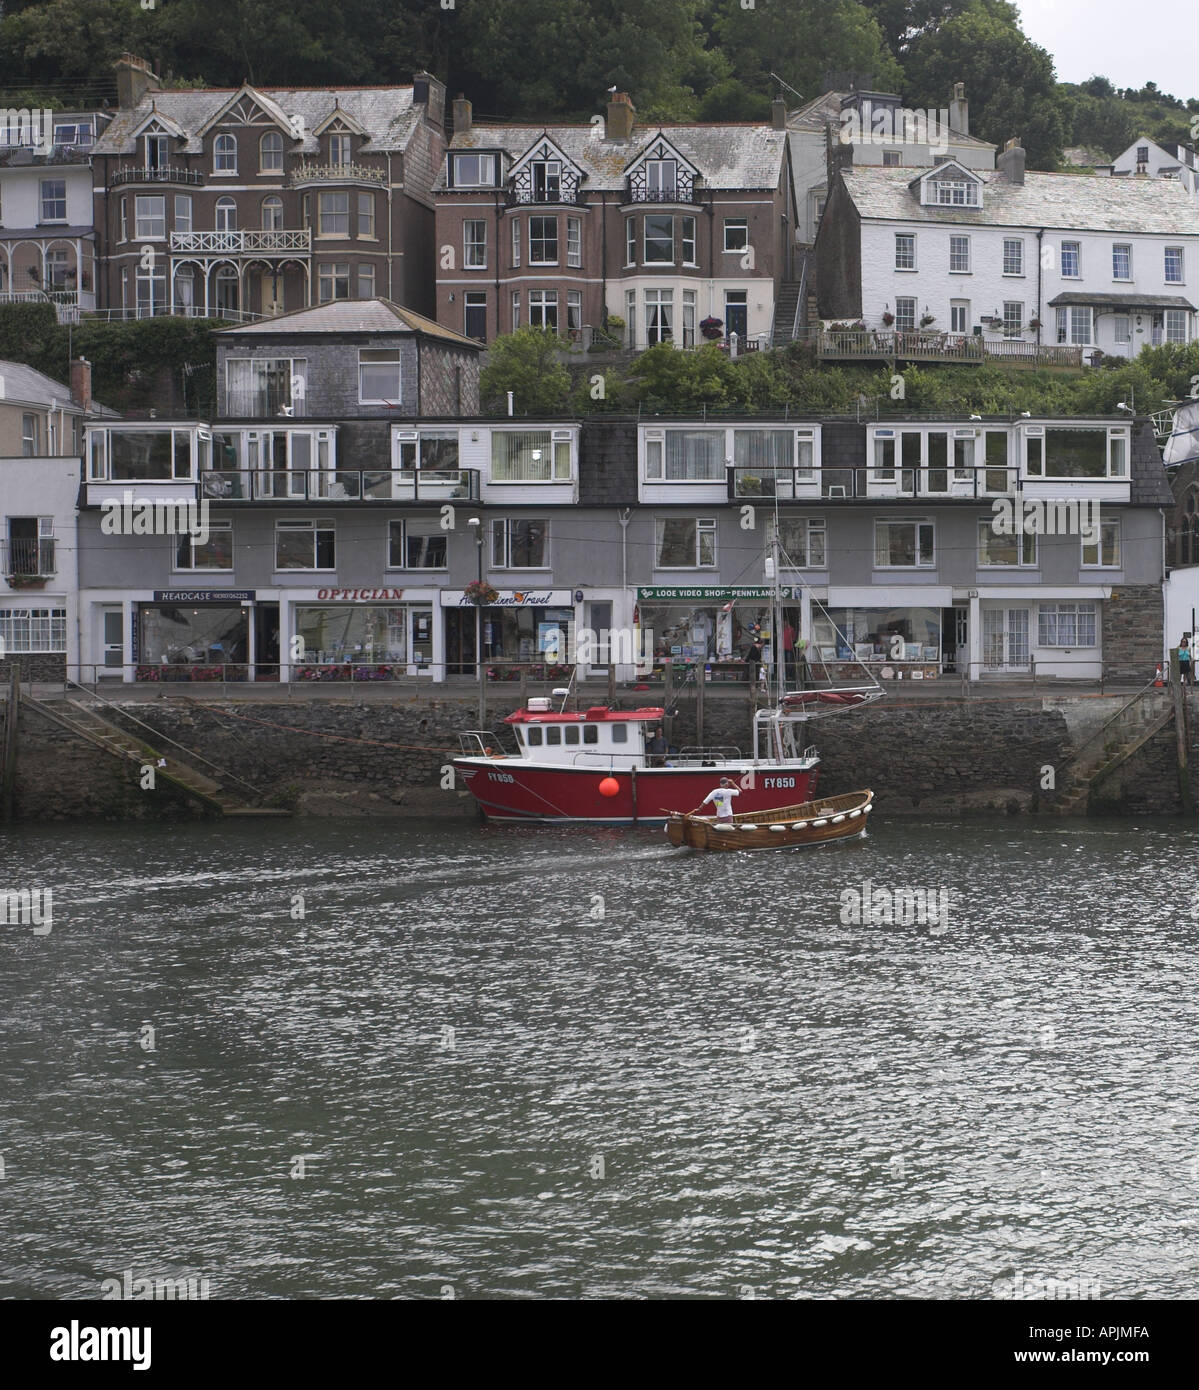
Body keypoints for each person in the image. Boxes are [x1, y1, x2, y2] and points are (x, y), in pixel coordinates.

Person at [782, 618, 797, 684]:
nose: (783, 623)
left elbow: (794, 639)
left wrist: (791, 642)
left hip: (789, 648)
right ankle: (784, 675)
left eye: (784, 622)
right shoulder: (782, 630)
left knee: (789, 662)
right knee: (784, 662)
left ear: (787, 622)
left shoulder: (791, 629)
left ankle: (789, 675)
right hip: (782, 649)